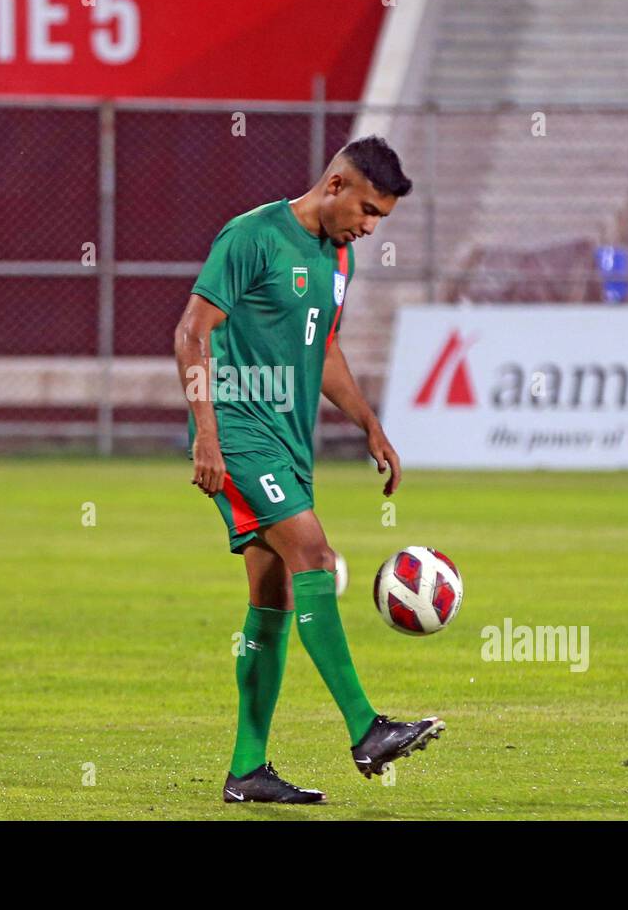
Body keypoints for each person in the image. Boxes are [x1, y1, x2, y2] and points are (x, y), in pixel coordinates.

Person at [173, 135, 444, 805]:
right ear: (336, 184)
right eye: (369, 210)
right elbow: (191, 333)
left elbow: (322, 348)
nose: (371, 226)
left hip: (287, 442)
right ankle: (366, 729)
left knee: (274, 599)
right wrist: (207, 434)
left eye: (381, 217)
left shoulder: (339, 258)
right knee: (315, 557)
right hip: (236, 430)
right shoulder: (252, 238)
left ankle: (247, 770)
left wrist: (369, 424)